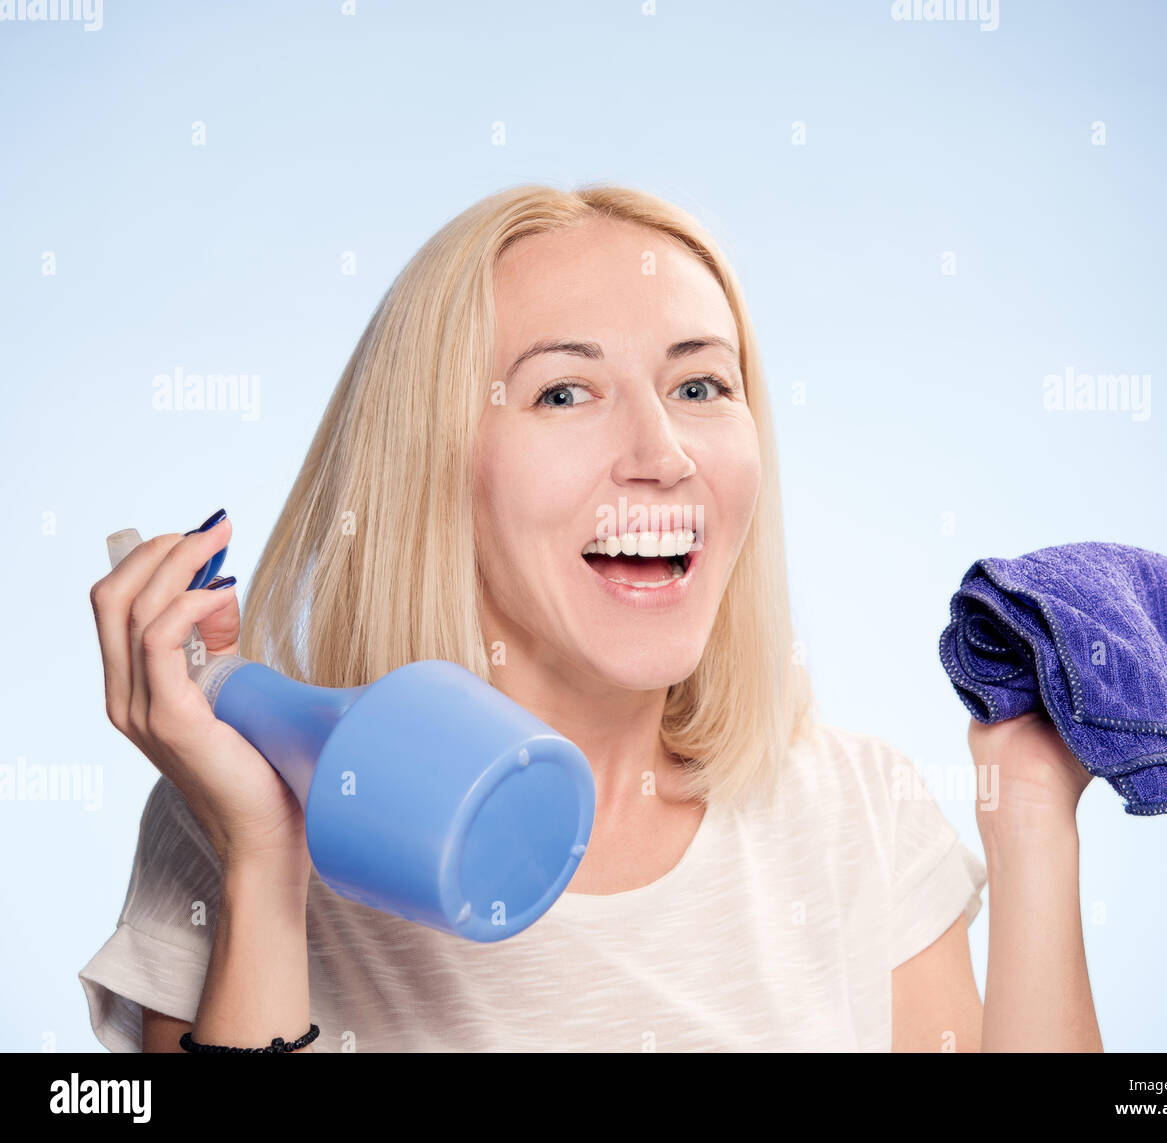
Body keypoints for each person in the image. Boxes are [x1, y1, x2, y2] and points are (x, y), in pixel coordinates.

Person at [80, 183, 1100, 1052]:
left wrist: (1034, 820)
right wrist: (263, 862)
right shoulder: (238, 823)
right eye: (564, 393)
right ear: (431, 467)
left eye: (700, 383)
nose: (664, 452)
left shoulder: (855, 813)